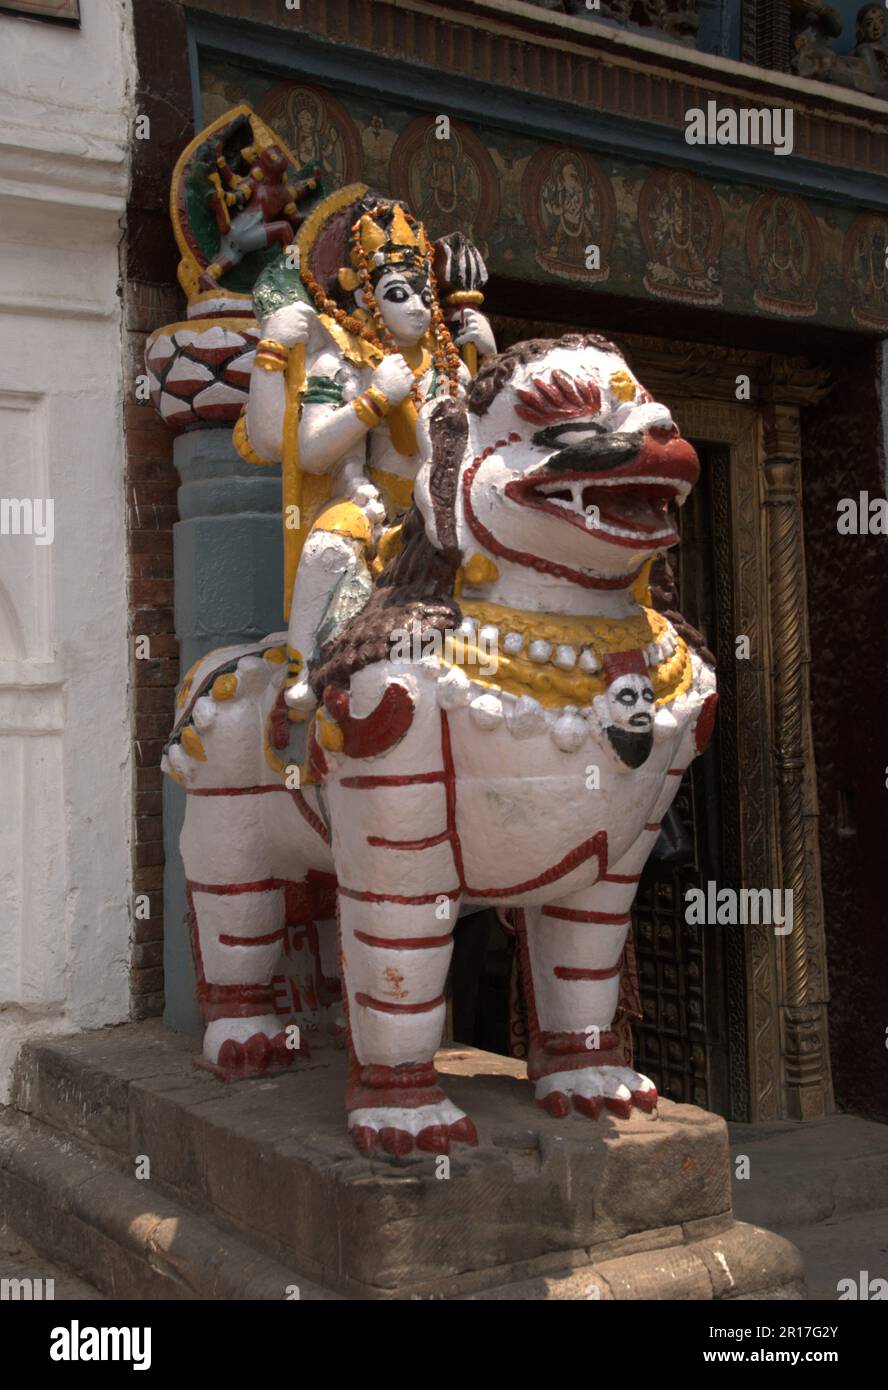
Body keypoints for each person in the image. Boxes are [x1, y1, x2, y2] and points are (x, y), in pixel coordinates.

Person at [235, 190, 496, 713]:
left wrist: (490, 361)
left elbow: (492, 441)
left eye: (425, 294)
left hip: (445, 507)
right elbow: (311, 452)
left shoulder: (452, 368)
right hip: (378, 510)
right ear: (365, 299)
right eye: (401, 294)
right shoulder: (344, 363)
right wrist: (377, 398)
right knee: (328, 547)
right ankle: (301, 666)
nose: (420, 308)